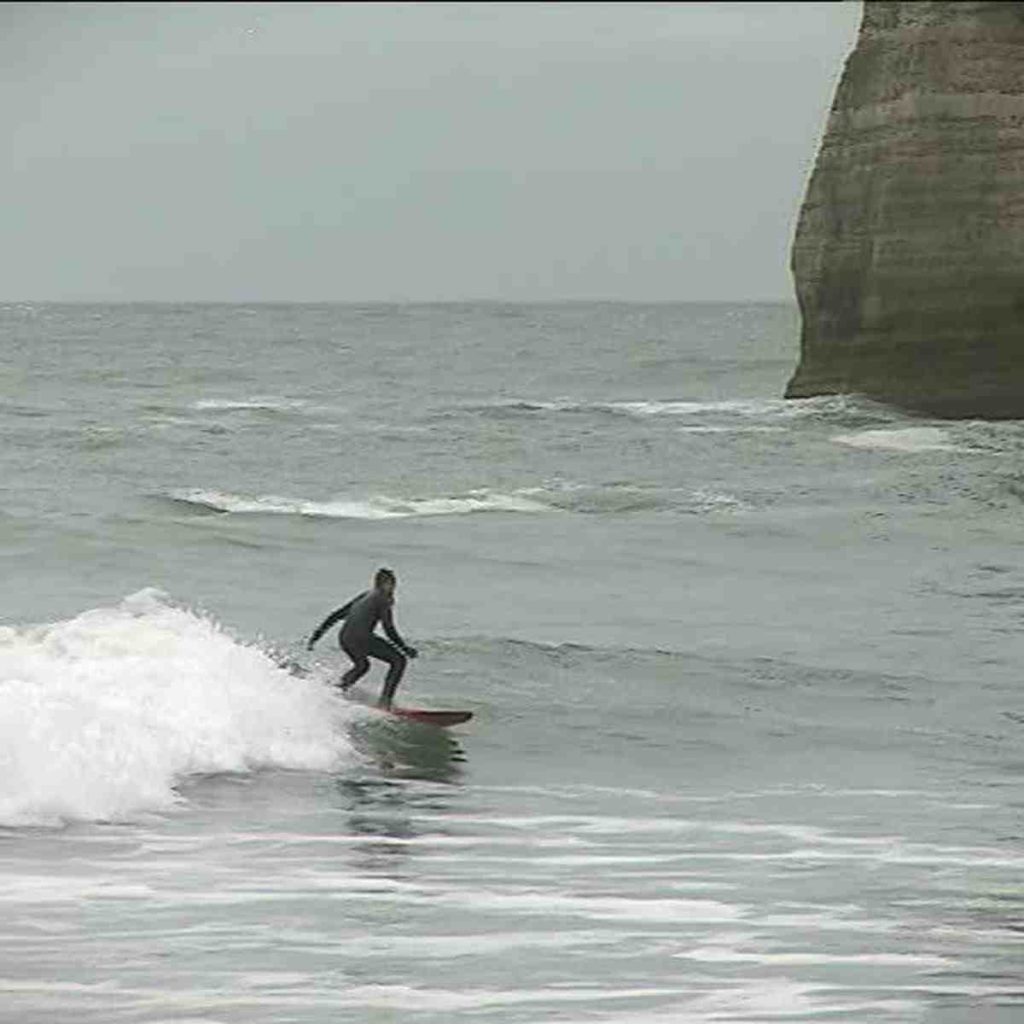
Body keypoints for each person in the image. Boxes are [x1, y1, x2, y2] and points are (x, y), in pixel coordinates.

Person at [306, 567, 418, 708]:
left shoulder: (365, 595)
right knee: (399, 661)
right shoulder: (383, 598)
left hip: (345, 638)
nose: (393, 588)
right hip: (361, 638)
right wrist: (405, 649)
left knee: (362, 666)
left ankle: (336, 689)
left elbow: (336, 615)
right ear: (385, 584)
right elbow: (388, 628)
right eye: (392, 584)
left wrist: (316, 636)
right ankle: (385, 702)